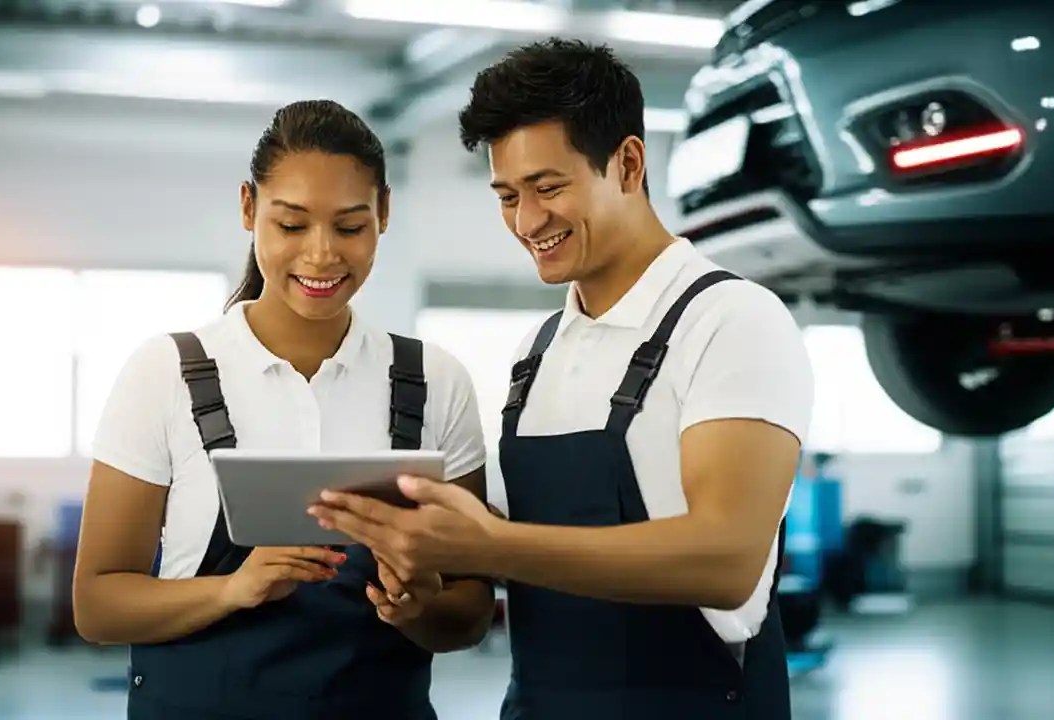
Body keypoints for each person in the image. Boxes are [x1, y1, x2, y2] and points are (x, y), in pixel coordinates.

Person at [309, 39, 814, 719]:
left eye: (548, 188)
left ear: (628, 164)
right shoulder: (537, 351)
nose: (527, 222)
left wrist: (493, 543)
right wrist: (426, 563)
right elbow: (537, 544)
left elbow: (725, 560)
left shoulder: (731, 320)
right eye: (508, 196)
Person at [73, 99, 495, 720]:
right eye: (291, 225)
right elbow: (98, 605)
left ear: (383, 213)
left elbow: (471, 610)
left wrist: (419, 608)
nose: (321, 255)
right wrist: (233, 590)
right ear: (249, 208)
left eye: (350, 227)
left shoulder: (435, 382)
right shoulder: (164, 374)